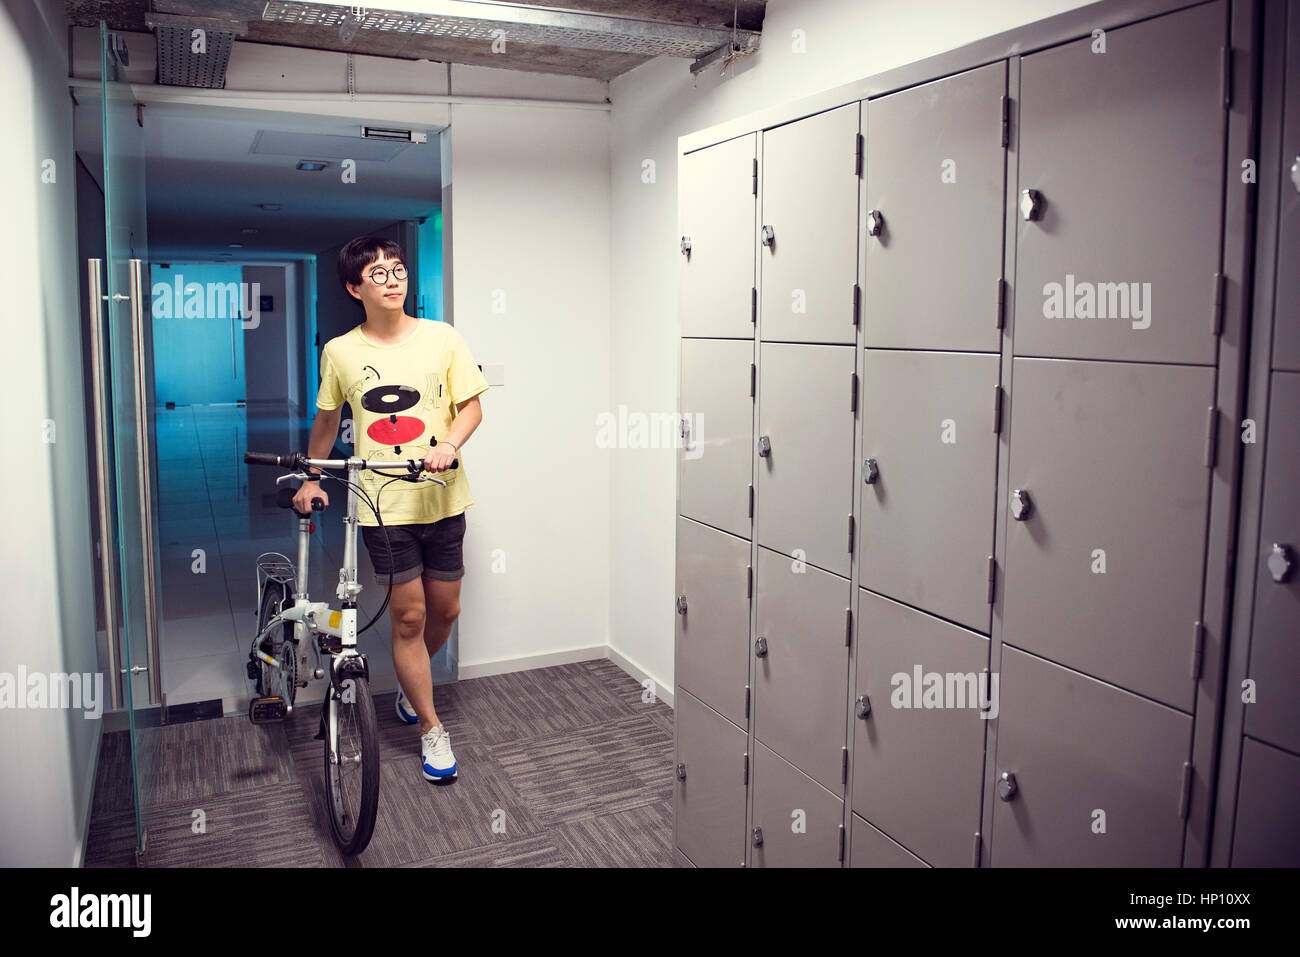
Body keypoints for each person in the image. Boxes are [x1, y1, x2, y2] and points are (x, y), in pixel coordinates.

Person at [294, 236, 489, 783]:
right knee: (408, 617)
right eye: (377, 274)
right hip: (382, 505)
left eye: (398, 269)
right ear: (354, 288)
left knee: (445, 611)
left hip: (443, 498)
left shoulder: (443, 338)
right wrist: (313, 476)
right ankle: (430, 728)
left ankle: (412, 683)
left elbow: (471, 406)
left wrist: (449, 443)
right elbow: (328, 423)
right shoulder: (341, 351)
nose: (393, 279)